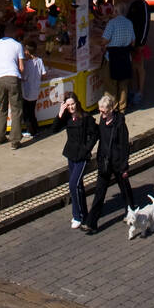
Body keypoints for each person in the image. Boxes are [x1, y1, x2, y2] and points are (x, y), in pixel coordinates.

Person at [81, 93, 134, 233]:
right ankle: (91, 223)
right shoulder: (102, 121)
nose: (101, 113)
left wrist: (124, 166)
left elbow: (124, 146)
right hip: (104, 163)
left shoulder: (120, 124)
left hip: (117, 163)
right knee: (99, 193)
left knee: (125, 189)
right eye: (100, 110)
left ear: (111, 109)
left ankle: (131, 210)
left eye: (103, 111)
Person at [52, 93, 99, 228]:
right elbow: (54, 129)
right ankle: (81, 213)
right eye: (68, 105)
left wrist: (87, 149)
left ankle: (78, 216)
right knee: (78, 186)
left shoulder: (85, 118)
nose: (71, 107)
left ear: (77, 104)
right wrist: (60, 112)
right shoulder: (66, 117)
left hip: (82, 156)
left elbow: (95, 133)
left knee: (73, 184)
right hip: (71, 155)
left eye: (73, 104)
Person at [101, 0, 136, 113]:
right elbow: (133, 42)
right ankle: (122, 107)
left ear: (116, 11)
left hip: (112, 56)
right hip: (125, 56)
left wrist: (103, 46)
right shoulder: (129, 23)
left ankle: (112, 107)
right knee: (123, 84)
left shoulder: (112, 23)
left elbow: (104, 41)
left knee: (110, 84)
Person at [126, 0, 152, 107]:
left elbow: (145, 25)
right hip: (130, 42)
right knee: (131, 67)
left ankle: (139, 92)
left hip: (138, 43)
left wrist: (141, 43)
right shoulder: (129, 5)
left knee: (139, 67)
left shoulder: (142, 5)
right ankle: (132, 90)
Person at [21, 42, 46, 138]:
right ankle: (35, 129)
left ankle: (31, 131)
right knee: (32, 111)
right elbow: (44, 74)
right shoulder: (39, 61)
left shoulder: (27, 64)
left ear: (27, 51)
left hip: (27, 90)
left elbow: (24, 77)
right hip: (36, 89)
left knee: (27, 113)